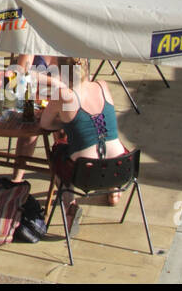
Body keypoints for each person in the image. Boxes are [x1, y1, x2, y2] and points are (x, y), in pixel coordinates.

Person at [38, 59, 130, 230]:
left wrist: (66, 123)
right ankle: (113, 191)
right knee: (107, 141)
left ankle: (70, 207)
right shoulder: (102, 86)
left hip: (85, 172)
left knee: (58, 153)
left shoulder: (64, 95)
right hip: (122, 167)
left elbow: (45, 124)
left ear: (61, 72)